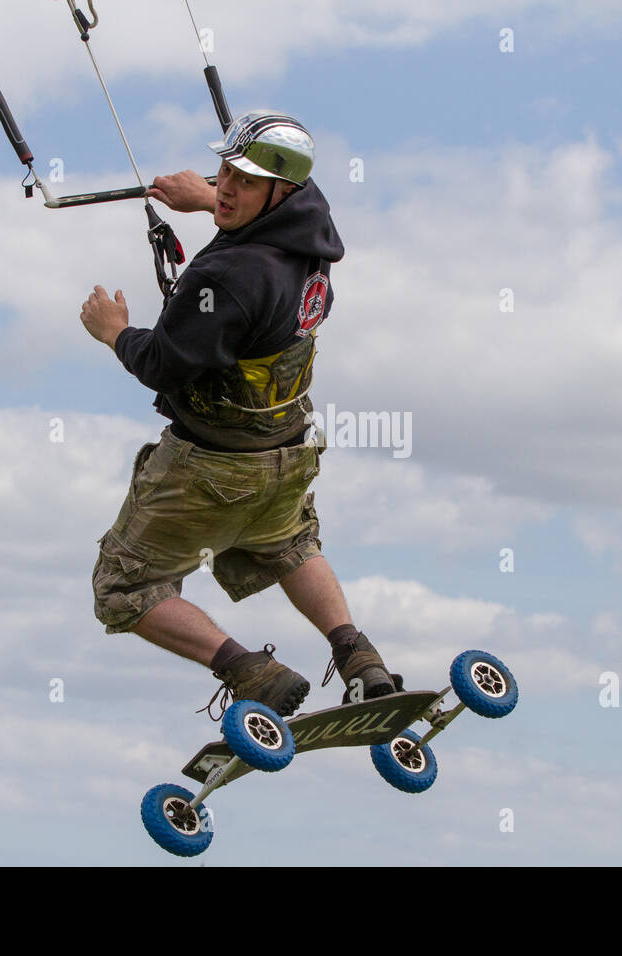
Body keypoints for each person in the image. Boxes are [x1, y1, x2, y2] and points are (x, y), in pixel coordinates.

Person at [80, 110, 400, 721]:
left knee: (123, 591)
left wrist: (115, 333)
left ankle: (252, 672)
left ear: (280, 191)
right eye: (225, 170)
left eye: (245, 181)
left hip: (212, 468)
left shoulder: (226, 277)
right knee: (286, 543)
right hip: (288, 453)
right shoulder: (313, 228)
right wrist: (208, 203)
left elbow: (163, 366)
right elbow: (264, 218)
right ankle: (360, 658)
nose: (226, 186)